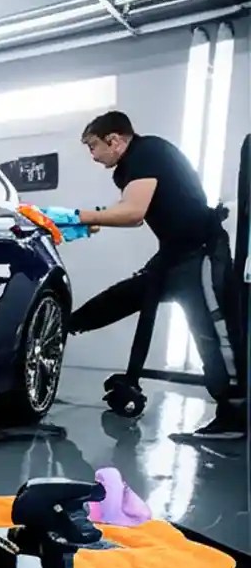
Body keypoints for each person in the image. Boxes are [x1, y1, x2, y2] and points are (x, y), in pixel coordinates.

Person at [68, 110, 246, 438]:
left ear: (115, 140)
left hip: (201, 252)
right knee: (133, 292)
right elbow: (131, 208)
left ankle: (235, 414)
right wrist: (98, 217)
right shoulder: (141, 157)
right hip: (176, 254)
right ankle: (69, 325)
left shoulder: (145, 153)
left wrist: (79, 216)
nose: (92, 155)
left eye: (93, 146)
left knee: (214, 330)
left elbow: (134, 213)